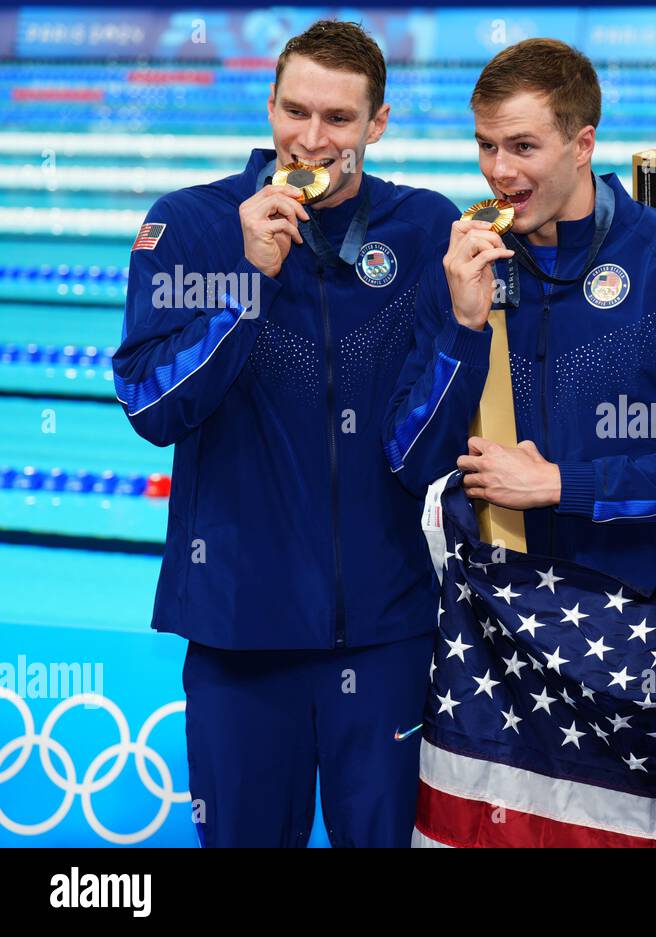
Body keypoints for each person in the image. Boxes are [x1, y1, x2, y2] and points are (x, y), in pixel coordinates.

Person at [112, 20, 460, 846]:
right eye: (294, 111)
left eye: (338, 120)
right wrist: (244, 284)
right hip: (241, 632)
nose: (312, 139)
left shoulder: (422, 230)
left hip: (383, 634)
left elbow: (431, 438)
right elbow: (151, 408)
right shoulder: (191, 226)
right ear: (268, 105)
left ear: (377, 124)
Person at [385, 38, 656, 595]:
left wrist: (558, 484)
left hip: (649, 620)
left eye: (523, 146)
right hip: (506, 624)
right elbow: (410, 463)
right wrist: (464, 331)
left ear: (582, 144)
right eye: (486, 146)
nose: (499, 171)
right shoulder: (460, 267)